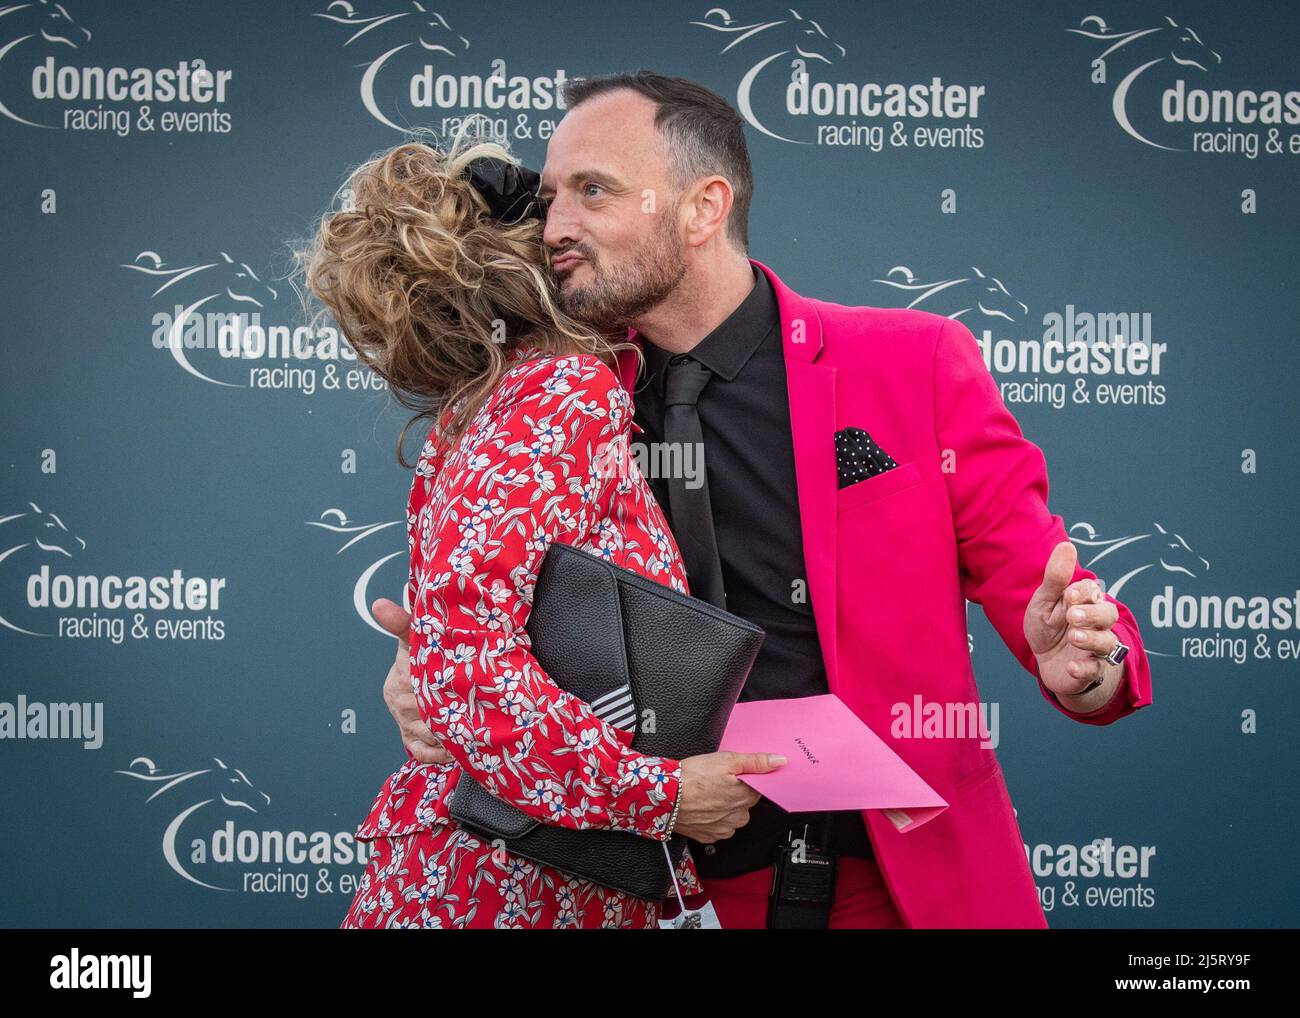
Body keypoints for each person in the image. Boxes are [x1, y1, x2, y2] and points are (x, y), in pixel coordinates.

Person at [380, 71, 1155, 929]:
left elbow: (1067, 620)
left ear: (704, 206)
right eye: (552, 194)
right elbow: (483, 625)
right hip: (647, 891)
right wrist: (422, 674)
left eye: (593, 191)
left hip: (889, 885)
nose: (556, 225)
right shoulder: (547, 396)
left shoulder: (912, 363)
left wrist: (1085, 666)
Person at [300, 121, 784, 929]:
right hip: (508, 882)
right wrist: (664, 797)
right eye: (558, 216)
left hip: (502, 868)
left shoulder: (498, 402)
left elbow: (461, 642)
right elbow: (469, 660)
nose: (572, 232)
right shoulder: (561, 392)